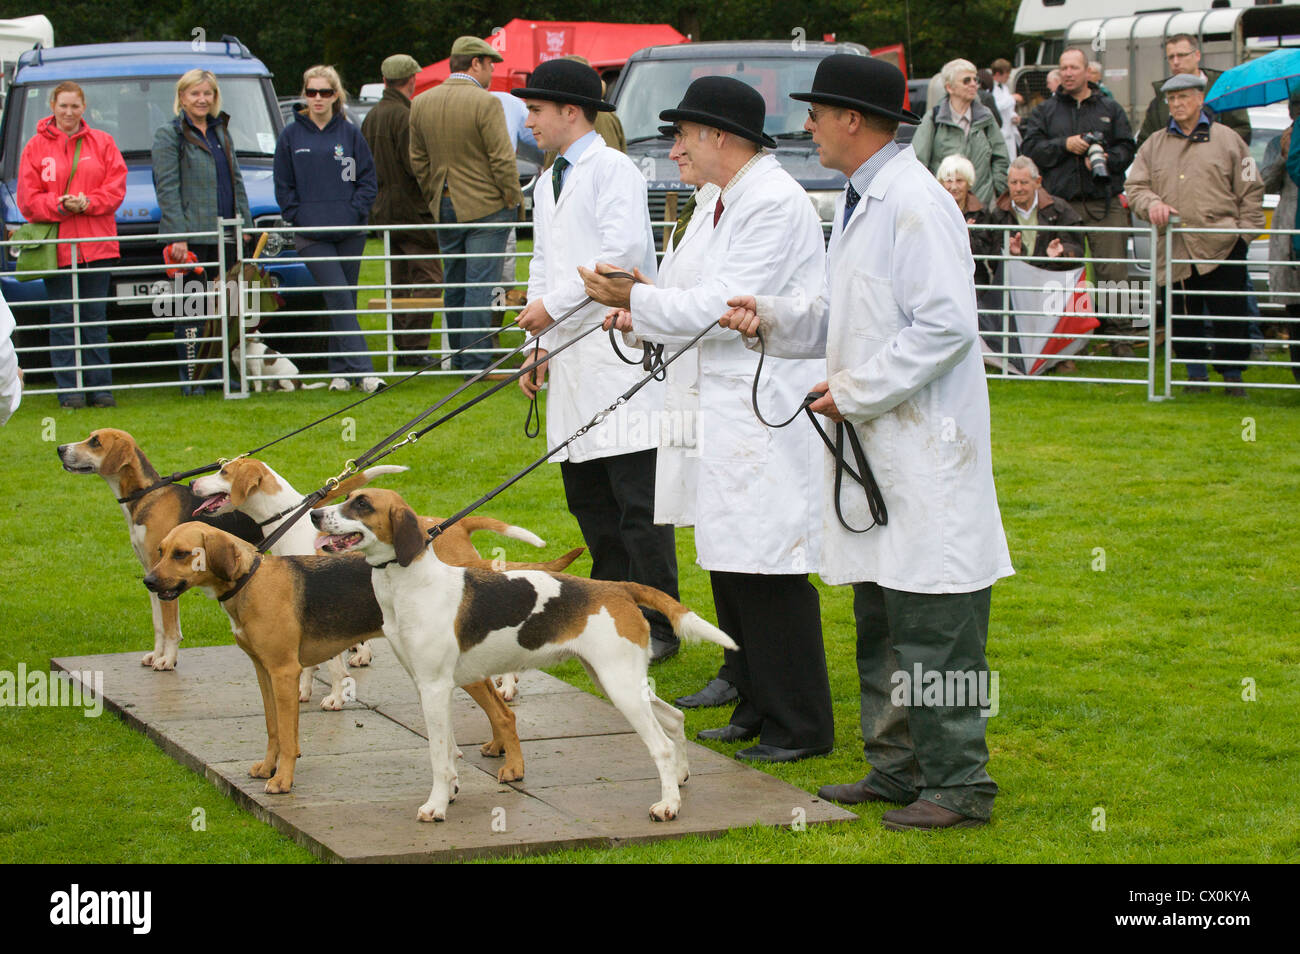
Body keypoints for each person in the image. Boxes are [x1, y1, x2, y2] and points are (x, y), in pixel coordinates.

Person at [721, 54, 1014, 830]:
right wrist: (774, 317)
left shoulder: (915, 202)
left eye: (817, 112)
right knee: (883, 613)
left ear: (853, 119)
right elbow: (844, 315)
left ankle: (959, 784)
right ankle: (896, 768)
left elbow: (947, 326)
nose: (808, 125)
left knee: (937, 625)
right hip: (884, 452)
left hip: (925, 452)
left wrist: (854, 392)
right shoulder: (860, 199)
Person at [582, 76, 834, 763]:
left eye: (684, 134)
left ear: (721, 137)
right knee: (728, 555)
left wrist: (641, 297)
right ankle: (753, 700)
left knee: (768, 563)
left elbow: (724, 303)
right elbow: (685, 296)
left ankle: (801, 723)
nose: (674, 148)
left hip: (758, 409)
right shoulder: (717, 201)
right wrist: (641, 311)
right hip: (712, 406)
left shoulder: (774, 203)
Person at [510, 58, 681, 663]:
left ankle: (662, 624)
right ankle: (615, 618)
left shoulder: (613, 170)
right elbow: (541, 265)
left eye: (535, 109)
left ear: (570, 111)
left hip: (619, 355)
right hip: (572, 361)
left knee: (638, 506)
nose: (527, 120)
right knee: (589, 499)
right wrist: (534, 347)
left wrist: (551, 310)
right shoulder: (545, 179)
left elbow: (620, 256)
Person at [1126, 74, 1264, 396]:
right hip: (1176, 247)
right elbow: (1135, 187)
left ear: (1200, 99)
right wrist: (1152, 203)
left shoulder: (1231, 140)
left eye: (1184, 97)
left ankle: (1233, 377)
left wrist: (1245, 235)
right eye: (1171, 99)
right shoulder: (1152, 146)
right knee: (1183, 314)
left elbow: (1252, 185)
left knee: (1230, 311)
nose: (1177, 104)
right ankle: (1194, 376)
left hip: (1223, 242)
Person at [409, 36, 523, 375]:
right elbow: (502, 158)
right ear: (475, 63)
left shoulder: (421, 102)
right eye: (490, 64)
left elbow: (417, 159)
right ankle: (475, 363)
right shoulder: (485, 103)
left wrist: (435, 190)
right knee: (480, 286)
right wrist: (512, 198)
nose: (491, 71)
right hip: (488, 206)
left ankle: (459, 359)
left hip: (443, 205)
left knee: (455, 284)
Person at [1021, 47, 1137, 357]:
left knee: (1114, 272)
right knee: (1061, 272)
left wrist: (1108, 160)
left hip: (1103, 201)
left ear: (1087, 71)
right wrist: (1064, 145)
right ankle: (1064, 341)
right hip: (1060, 205)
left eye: (1074, 67)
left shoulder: (1111, 109)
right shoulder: (1045, 111)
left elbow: (1128, 148)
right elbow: (1030, 148)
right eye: (1064, 68)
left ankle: (1121, 337)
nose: (1069, 73)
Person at [274, 65, 381, 393]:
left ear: (336, 95)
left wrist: (354, 212)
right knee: (337, 295)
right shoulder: (291, 135)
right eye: (311, 92)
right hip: (311, 235)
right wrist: (299, 217)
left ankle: (340, 372)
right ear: (304, 94)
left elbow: (367, 179)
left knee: (345, 298)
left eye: (325, 92)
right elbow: (283, 185)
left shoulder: (350, 132)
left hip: (350, 231)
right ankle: (365, 371)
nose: (318, 98)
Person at [19, 80, 126, 408]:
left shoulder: (103, 143)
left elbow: (116, 188)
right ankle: (69, 390)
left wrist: (88, 202)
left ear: (84, 108)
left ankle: (100, 388)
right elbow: (27, 199)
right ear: (52, 106)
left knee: (94, 317)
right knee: (64, 318)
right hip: (58, 247)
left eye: (74, 106)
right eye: (63, 105)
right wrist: (60, 205)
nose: (68, 112)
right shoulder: (34, 147)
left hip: (96, 244)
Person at [153, 69, 254, 396]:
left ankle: (221, 374)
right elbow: (167, 188)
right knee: (190, 310)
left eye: (207, 93)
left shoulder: (221, 131)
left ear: (215, 97)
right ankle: (193, 378)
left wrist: (246, 224)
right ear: (181, 97)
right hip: (191, 239)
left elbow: (236, 179)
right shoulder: (168, 135)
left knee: (226, 309)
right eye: (194, 94)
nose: (201, 99)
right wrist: (177, 236)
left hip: (227, 233)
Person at [361, 54, 444, 368]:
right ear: (411, 79)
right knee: (428, 277)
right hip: (413, 211)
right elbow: (416, 167)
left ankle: (402, 343)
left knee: (397, 278)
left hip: (383, 211)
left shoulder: (371, 117)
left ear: (385, 80)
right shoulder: (406, 116)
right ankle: (415, 346)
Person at [911, 58, 1009, 207]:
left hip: (982, 209)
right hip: (943, 207)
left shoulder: (987, 117)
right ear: (949, 88)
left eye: (975, 80)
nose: (973, 84)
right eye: (966, 80)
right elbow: (918, 163)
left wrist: (997, 193)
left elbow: (1001, 157)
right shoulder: (933, 118)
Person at [1137, 34, 1251, 148]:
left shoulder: (1223, 89)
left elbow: (1243, 131)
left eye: (1181, 55)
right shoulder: (1161, 98)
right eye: (1171, 57)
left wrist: (1210, 148)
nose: (1176, 62)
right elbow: (1144, 143)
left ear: (1197, 55)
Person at [937, 155, 1002, 344]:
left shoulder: (981, 213)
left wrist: (966, 235)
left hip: (973, 276)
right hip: (940, 273)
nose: (954, 187)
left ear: (969, 183)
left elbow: (984, 252)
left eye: (959, 181)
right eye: (948, 181)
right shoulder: (932, 208)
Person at [989, 155, 1084, 267]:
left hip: (1052, 278)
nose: (1018, 189)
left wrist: (1061, 253)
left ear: (1038, 182)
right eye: (1013, 183)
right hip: (1016, 279)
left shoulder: (1059, 208)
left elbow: (1078, 249)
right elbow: (992, 260)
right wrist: (1012, 254)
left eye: (1024, 182)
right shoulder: (999, 213)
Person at [1267, 90, 1300, 383]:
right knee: (1295, 308)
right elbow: (1261, 181)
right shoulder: (1279, 141)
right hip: (1290, 232)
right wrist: (1282, 157)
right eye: (1295, 107)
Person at [990, 58, 1020, 159]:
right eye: (1007, 74)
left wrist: (1014, 116)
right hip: (1000, 131)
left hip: (1009, 130)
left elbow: (1008, 110)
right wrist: (1012, 98)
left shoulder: (1004, 87)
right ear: (998, 74)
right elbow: (995, 107)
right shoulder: (990, 88)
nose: (1008, 77)